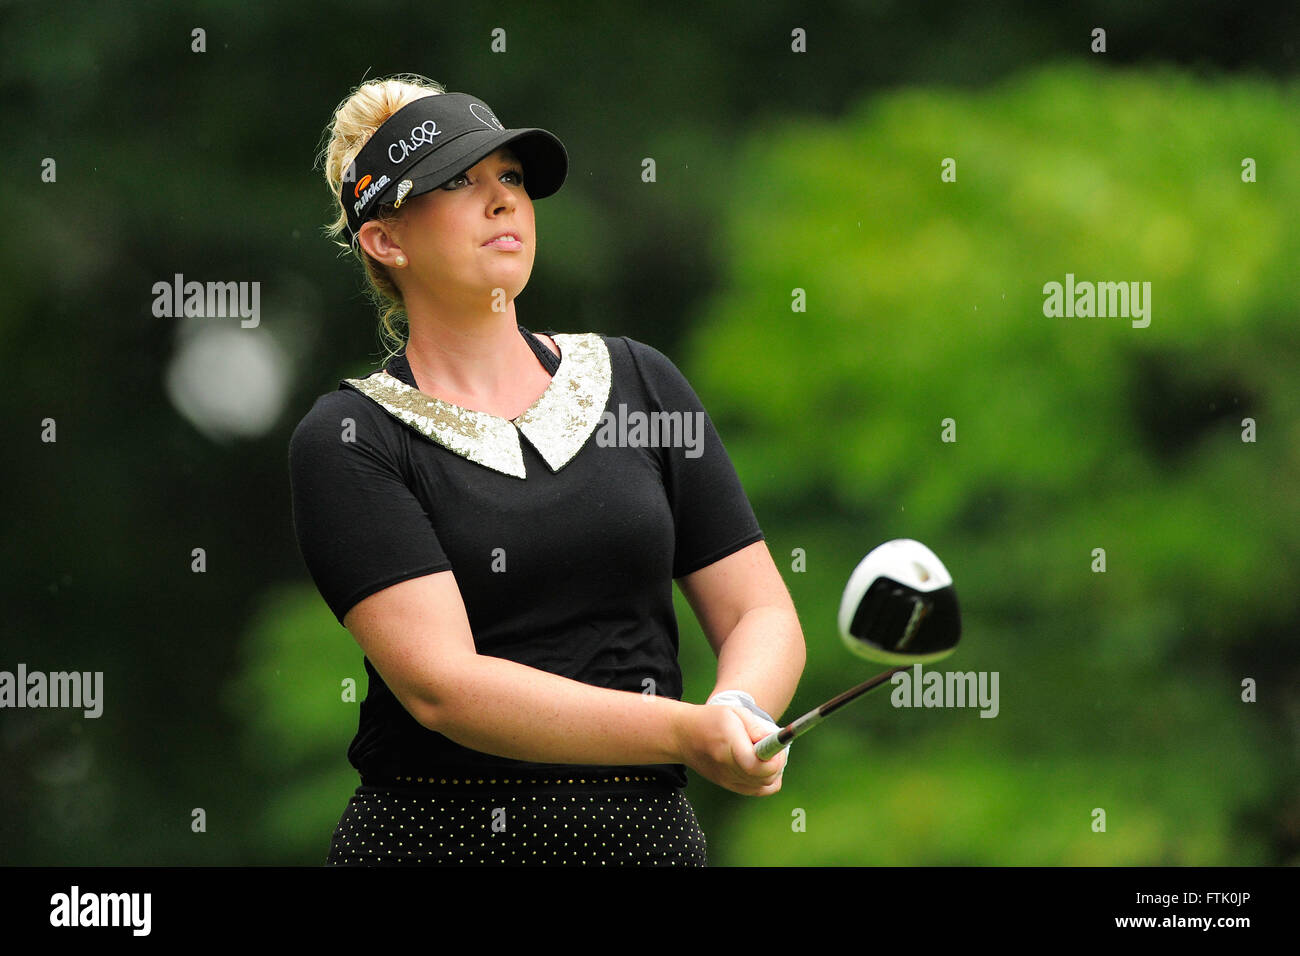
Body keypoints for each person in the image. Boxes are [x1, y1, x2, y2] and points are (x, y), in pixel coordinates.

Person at [289, 74, 806, 866]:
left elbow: (757, 614)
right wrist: (682, 730)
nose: (502, 201)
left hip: (647, 842)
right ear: (385, 240)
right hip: (438, 844)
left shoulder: (640, 380)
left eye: (511, 179)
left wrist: (736, 709)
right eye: (457, 182)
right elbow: (444, 689)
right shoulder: (352, 436)